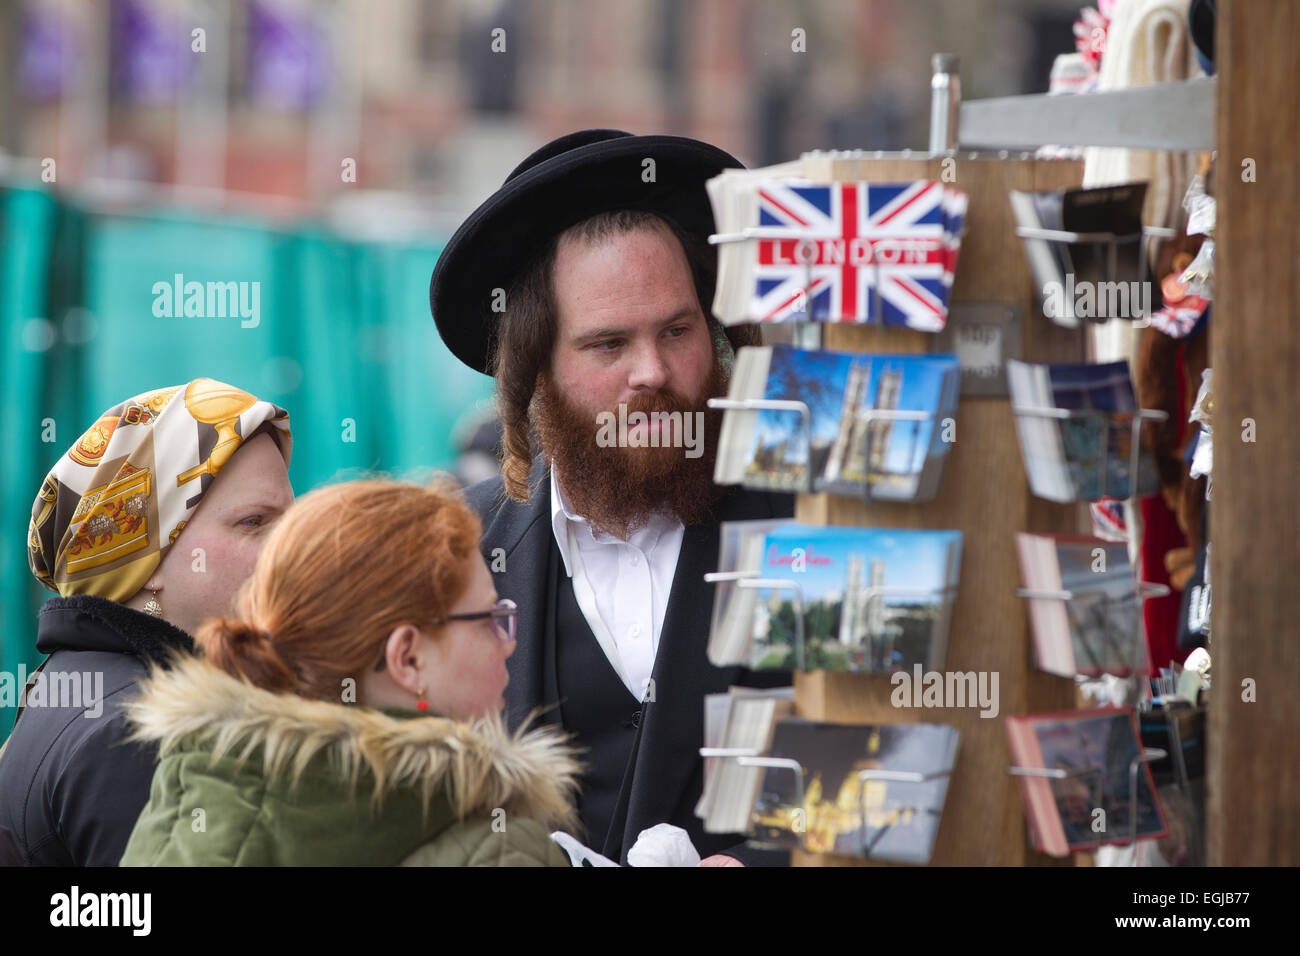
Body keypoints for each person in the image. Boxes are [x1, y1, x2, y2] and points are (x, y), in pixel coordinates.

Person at [428, 129, 794, 865]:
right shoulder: (453, 552)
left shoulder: (813, 521)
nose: (653, 371)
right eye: (609, 345)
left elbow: (879, 781)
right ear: (538, 366)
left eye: (678, 331)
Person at [120, 479, 579, 866]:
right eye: (486, 619)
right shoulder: (498, 852)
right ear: (408, 659)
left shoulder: (178, 805)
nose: (509, 640)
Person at [0, 379, 293, 865]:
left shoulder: (79, 685)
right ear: (146, 562)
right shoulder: (139, 732)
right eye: (254, 522)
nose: (294, 545)